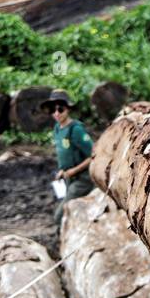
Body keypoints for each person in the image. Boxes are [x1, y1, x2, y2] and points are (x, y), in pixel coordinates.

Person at [43, 89, 95, 232]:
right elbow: (64, 153)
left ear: (68, 109)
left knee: (60, 216)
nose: (57, 113)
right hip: (67, 179)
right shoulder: (57, 128)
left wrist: (73, 171)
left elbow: (93, 155)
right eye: (53, 110)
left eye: (61, 109)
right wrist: (62, 170)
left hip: (82, 180)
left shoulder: (76, 129)